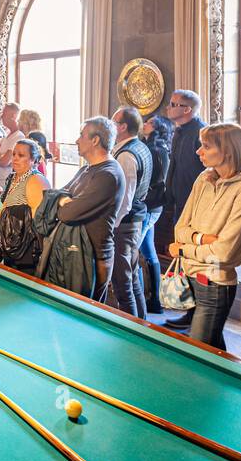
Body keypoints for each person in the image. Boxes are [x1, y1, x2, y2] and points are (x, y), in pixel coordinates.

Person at [167, 123, 241, 351]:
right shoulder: (204, 178)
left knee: (198, 351)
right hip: (190, 275)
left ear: (227, 150)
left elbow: (224, 252)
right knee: (213, 351)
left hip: (214, 282)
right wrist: (202, 239)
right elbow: (180, 228)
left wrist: (183, 249)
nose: (199, 151)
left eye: (206, 146)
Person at [56, 116, 126, 304]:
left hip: (94, 257)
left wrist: (65, 202)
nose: (77, 140)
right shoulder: (86, 170)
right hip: (76, 252)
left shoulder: (108, 175)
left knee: (85, 315)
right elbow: (57, 195)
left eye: (81, 135)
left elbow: (67, 214)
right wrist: (64, 200)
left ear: (95, 140)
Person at [162, 91, 206, 328]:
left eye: (173, 104)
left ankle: (197, 314)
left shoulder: (200, 133)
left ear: (187, 109)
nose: (168, 108)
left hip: (197, 206)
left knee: (193, 258)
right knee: (184, 258)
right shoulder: (178, 132)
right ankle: (188, 309)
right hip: (180, 203)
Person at [110, 106, 152, 317]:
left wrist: (113, 225)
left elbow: (125, 198)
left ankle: (132, 328)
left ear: (123, 127)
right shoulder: (140, 146)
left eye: (114, 121)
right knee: (132, 276)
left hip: (125, 223)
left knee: (122, 280)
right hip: (134, 219)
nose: (111, 124)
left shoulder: (127, 155)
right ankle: (141, 323)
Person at [0, 136, 48, 272]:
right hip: (7, 242)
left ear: (33, 160)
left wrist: (6, 212)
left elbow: (39, 220)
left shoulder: (36, 180)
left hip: (24, 249)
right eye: (14, 154)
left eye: (21, 155)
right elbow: (4, 203)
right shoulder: (12, 177)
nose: (15, 158)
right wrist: (1, 202)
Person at [139, 113, 173, 313]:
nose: (145, 124)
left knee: (140, 251)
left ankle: (152, 299)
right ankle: (153, 299)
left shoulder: (156, 149)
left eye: (150, 122)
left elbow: (156, 181)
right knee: (147, 250)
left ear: (159, 127)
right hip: (152, 205)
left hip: (150, 205)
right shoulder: (153, 148)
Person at [0, 102, 25, 187]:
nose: (1, 117)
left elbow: (4, 162)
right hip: (0, 181)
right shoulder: (6, 133)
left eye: (4, 114)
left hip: (10, 183)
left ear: (14, 116)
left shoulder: (19, 136)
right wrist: (1, 157)